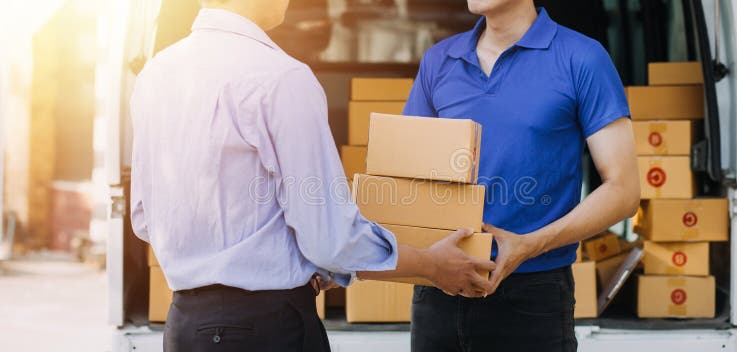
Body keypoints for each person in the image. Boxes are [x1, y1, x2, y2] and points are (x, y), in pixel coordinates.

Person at [128, 1, 496, 351]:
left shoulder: (155, 74)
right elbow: (330, 239)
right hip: (265, 329)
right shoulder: (280, 77)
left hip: (184, 328)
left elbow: (144, 218)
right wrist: (432, 265)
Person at [403, 1, 640, 351]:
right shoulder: (439, 61)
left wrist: (530, 246)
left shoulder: (582, 58)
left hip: (533, 296)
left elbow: (624, 191)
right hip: (439, 293)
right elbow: (405, 175)